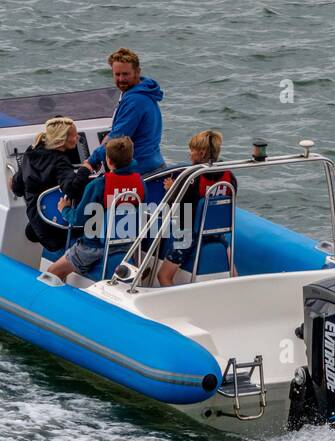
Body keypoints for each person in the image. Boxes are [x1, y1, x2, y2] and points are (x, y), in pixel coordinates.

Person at [47, 136, 145, 281]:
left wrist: (64, 209)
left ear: (109, 161)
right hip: (126, 245)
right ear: (131, 158)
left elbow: (78, 219)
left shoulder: (98, 185)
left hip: (93, 247)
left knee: (52, 272)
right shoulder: (140, 183)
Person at [156, 130, 237, 287]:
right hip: (216, 234)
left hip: (189, 236)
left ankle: (174, 307)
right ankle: (236, 286)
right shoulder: (230, 177)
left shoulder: (192, 178)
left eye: (192, 150)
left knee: (163, 275)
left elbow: (180, 209)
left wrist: (171, 190)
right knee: (234, 274)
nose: (189, 154)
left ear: (201, 152)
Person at [10, 116, 91, 252]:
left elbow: (17, 188)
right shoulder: (60, 162)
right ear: (61, 140)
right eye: (74, 135)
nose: (77, 137)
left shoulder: (31, 152)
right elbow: (72, 189)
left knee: (30, 231)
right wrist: (85, 169)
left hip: (39, 223)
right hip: (58, 229)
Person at [86, 48, 166, 177]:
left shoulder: (134, 100)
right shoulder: (145, 92)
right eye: (117, 74)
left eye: (125, 74)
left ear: (137, 72)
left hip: (142, 172)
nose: (121, 79)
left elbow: (117, 139)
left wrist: (90, 161)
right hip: (155, 165)